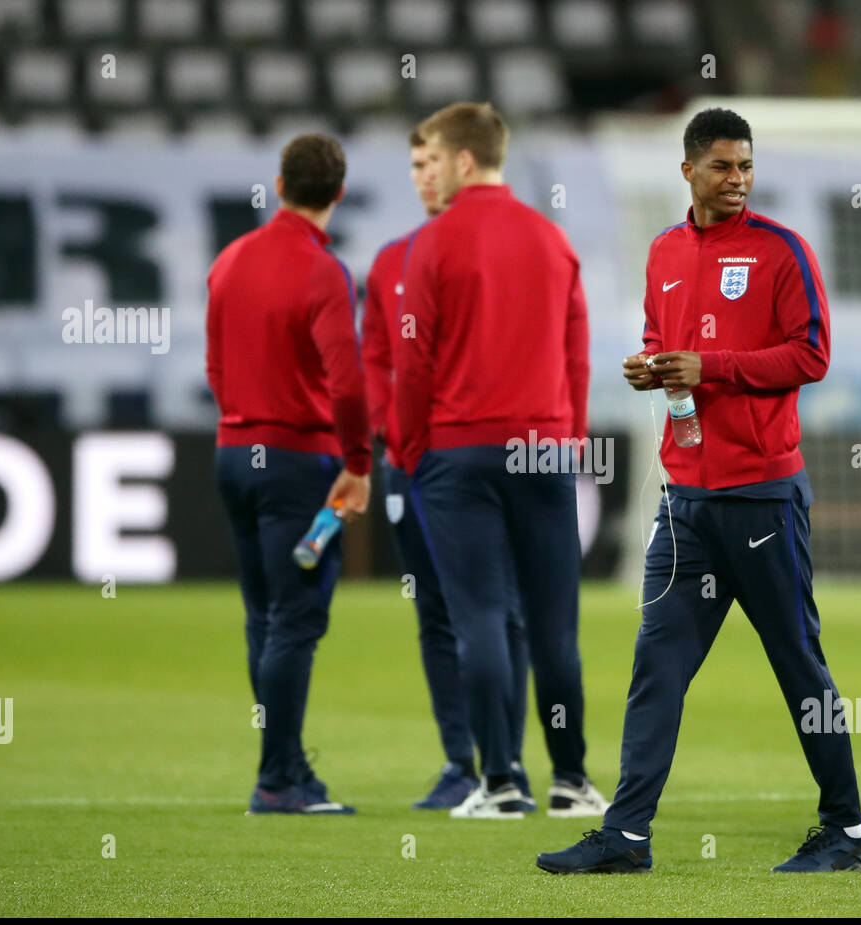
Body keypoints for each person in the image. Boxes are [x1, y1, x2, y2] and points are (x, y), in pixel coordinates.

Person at [538, 107, 861, 872]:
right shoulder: (662, 251)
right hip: (684, 500)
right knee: (656, 666)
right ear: (687, 170)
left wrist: (710, 368)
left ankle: (846, 832)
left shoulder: (782, 251)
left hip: (762, 496)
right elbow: (667, 341)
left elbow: (812, 354)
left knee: (797, 662)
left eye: (746, 166)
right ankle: (625, 835)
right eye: (723, 166)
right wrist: (650, 364)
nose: (738, 180)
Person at [394, 102, 608, 819]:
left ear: (462, 160)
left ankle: (500, 781)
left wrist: (410, 448)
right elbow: (577, 355)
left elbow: (412, 361)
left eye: (433, 161)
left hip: (460, 448)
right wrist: (570, 441)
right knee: (554, 626)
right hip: (544, 448)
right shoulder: (552, 240)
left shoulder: (432, 244)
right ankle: (572, 779)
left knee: (480, 616)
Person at [361, 130, 534, 811]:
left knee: (503, 610)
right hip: (413, 463)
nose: (423, 175)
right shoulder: (389, 263)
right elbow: (375, 359)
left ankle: (506, 761)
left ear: (463, 166)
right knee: (437, 612)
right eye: (413, 164)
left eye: (432, 161)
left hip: (482, 457)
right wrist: (394, 433)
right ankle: (461, 762)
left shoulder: (504, 250)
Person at [206, 134, 371, 815]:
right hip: (297, 461)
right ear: (337, 194)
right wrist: (359, 465)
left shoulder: (230, 259)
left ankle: (289, 764)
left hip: (233, 452)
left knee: (264, 616)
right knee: (295, 621)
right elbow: (348, 383)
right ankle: (277, 780)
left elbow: (214, 364)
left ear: (279, 185)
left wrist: (241, 420)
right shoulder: (323, 271)